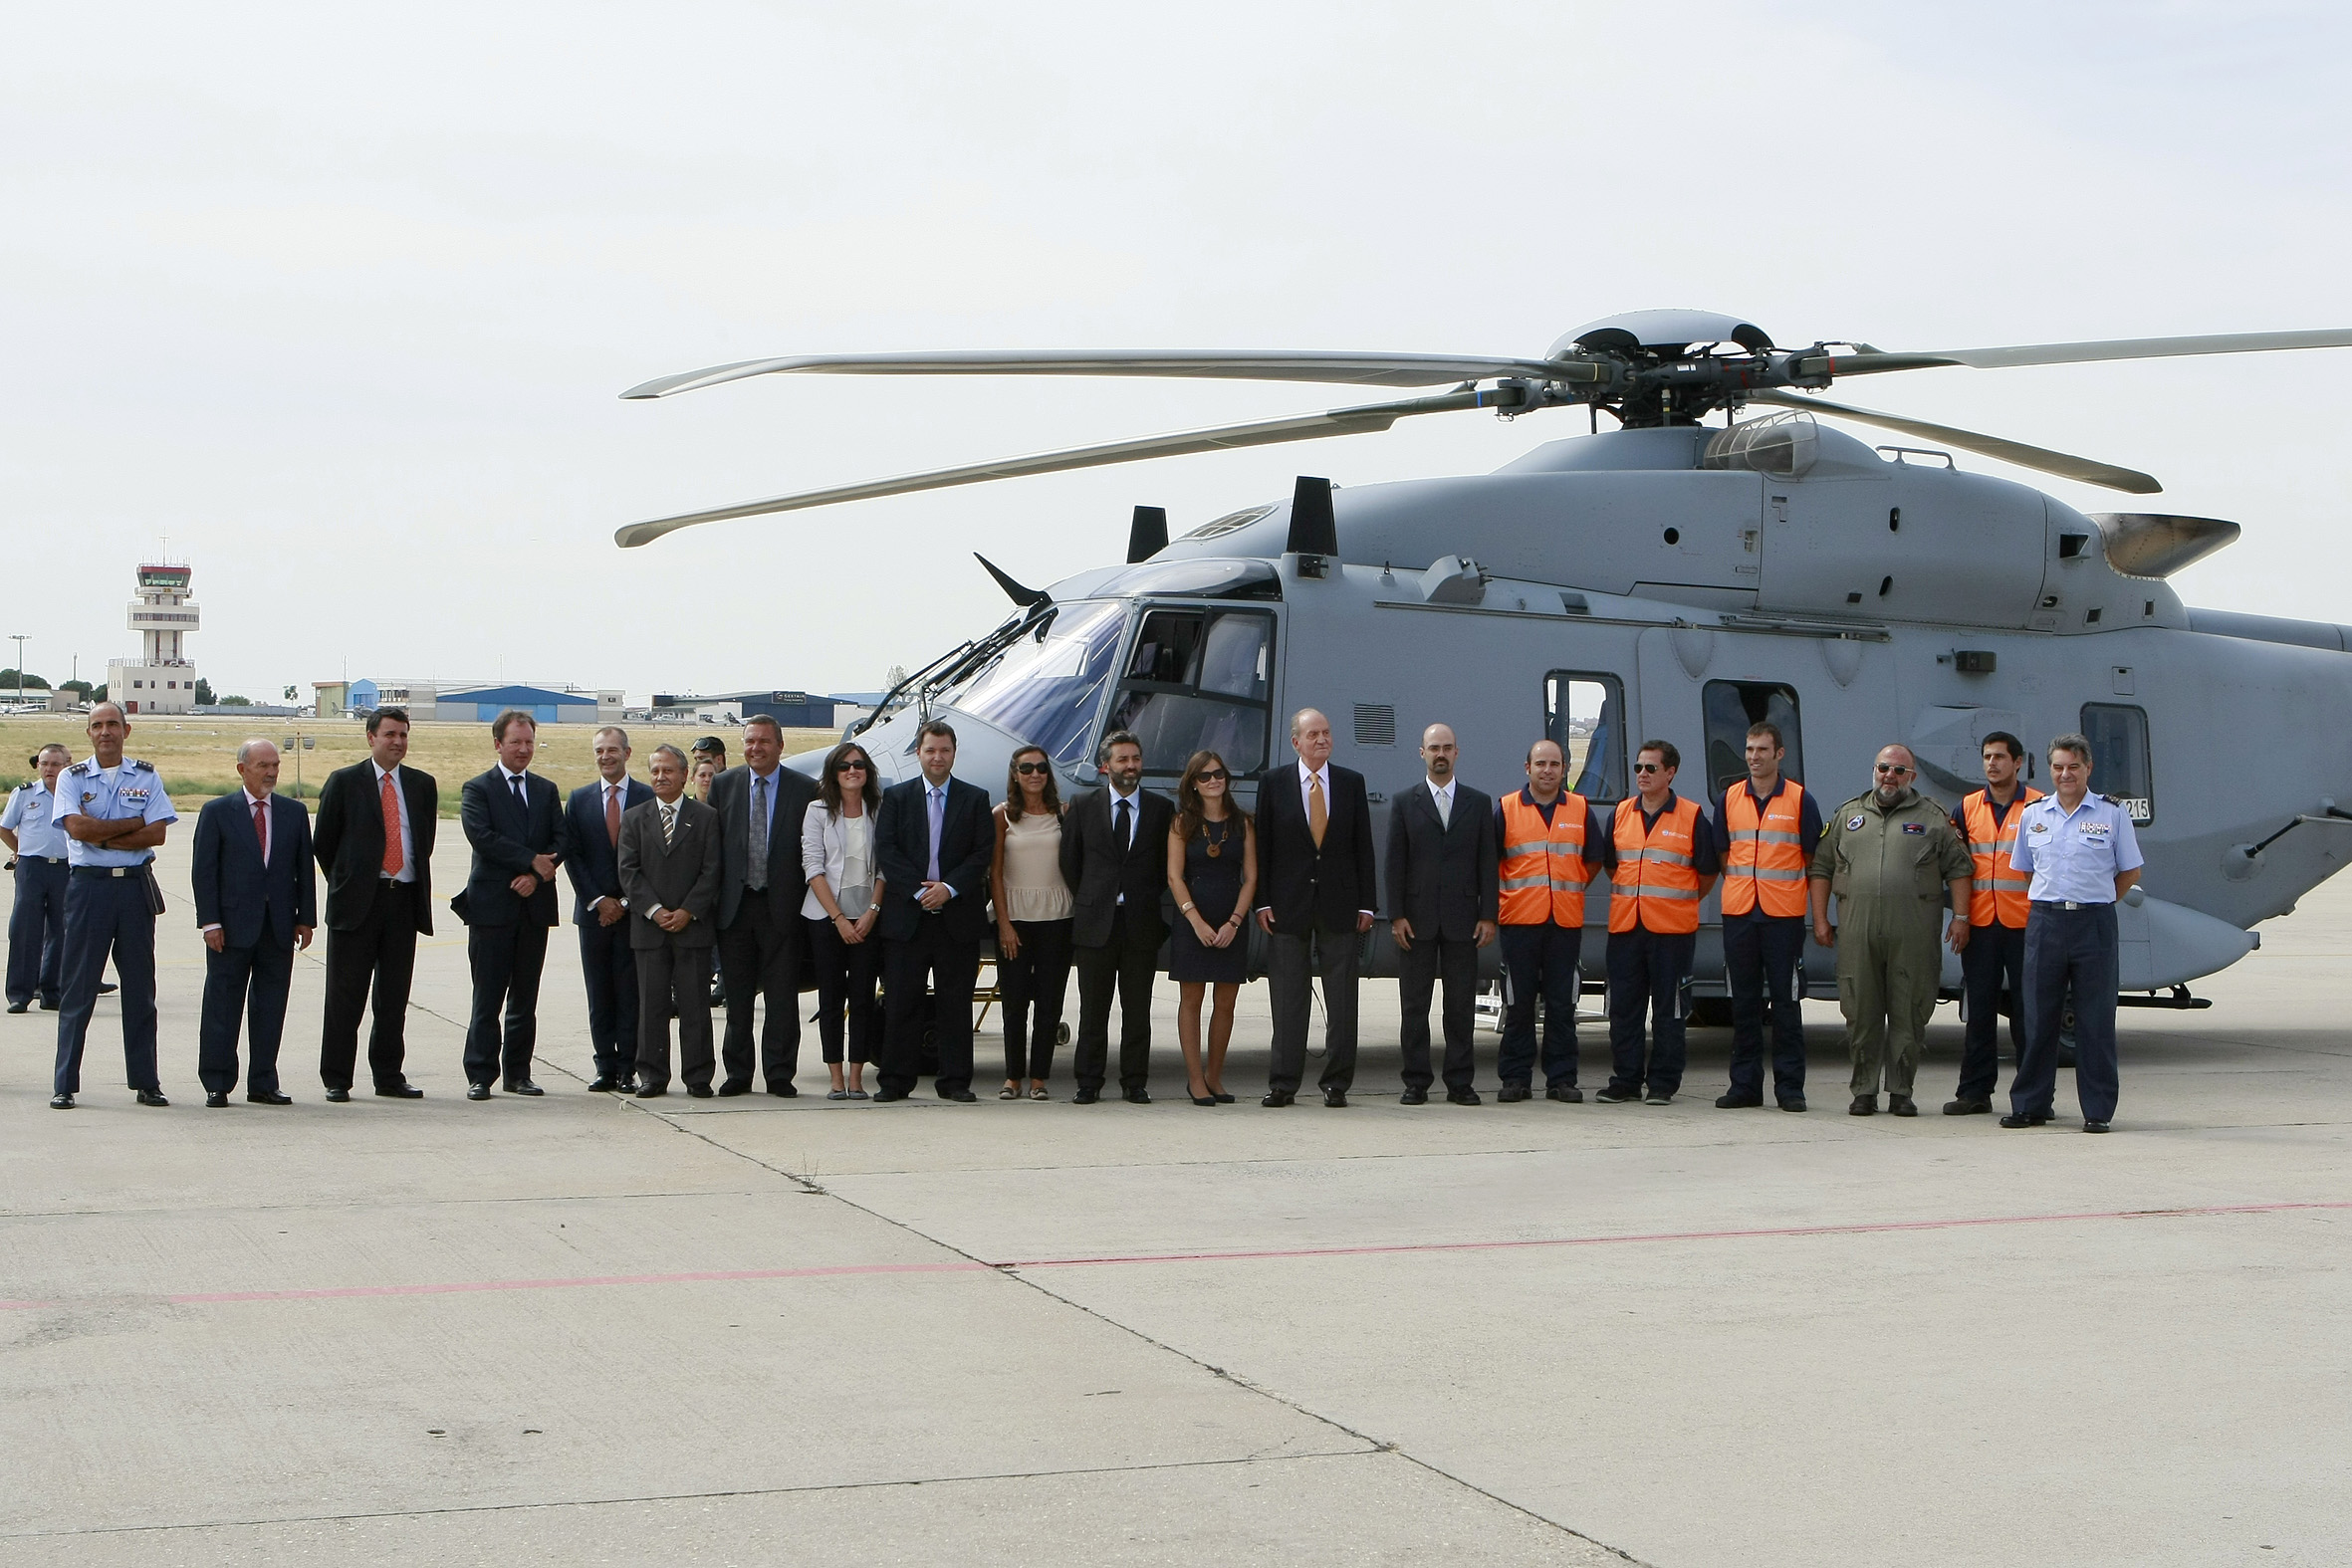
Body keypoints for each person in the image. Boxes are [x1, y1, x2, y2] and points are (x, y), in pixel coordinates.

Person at [1808, 744, 1974, 1117]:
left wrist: (1961, 918)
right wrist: (1820, 919)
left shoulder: (1933, 818)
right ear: (1874, 769)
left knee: (1909, 1012)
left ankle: (1901, 1091)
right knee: (1860, 1011)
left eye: (1900, 771)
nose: (1890, 776)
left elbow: (1960, 870)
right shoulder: (1848, 815)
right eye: (1884, 768)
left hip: (1912, 936)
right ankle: (1863, 1090)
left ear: (1911, 777)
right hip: (1857, 934)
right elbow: (1821, 868)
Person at [2003, 733, 2143, 1134]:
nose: (2065, 774)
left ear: (2088, 769)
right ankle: (2031, 1104)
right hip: (2046, 921)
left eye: (2073, 767)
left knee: (2095, 1020)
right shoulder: (2034, 814)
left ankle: (2098, 1110)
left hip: (2093, 924)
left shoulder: (2111, 814)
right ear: (2050, 770)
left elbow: (2129, 870)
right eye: (2058, 767)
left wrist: (2096, 901)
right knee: (2036, 1017)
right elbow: (2028, 869)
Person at [47, 703, 177, 1109]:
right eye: (97, 726)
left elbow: (157, 834)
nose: (106, 732)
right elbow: (77, 827)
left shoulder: (146, 775)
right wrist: (131, 824)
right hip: (89, 891)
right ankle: (65, 1083)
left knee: (140, 990)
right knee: (78, 989)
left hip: (134, 891)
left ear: (127, 730)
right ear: (88, 733)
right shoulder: (71, 776)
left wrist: (102, 836)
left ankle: (146, 1081)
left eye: (113, 725)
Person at [1255, 708, 1376, 1108]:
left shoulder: (1350, 783)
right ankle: (1283, 1083)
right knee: (1289, 1000)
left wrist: (1367, 905)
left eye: (1326, 733)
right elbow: (1265, 848)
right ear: (1296, 742)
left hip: (1340, 907)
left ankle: (1336, 1083)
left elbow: (1363, 848)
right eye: (1313, 735)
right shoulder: (1273, 784)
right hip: (1287, 906)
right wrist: (1263, 902)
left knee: (1342, 1000)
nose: (1322, 740)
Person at [313, 706, 436, 1101]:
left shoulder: (422, 785)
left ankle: (388, 1075)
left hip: (402, 902)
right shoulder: (344, 782)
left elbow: (425, 842)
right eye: (390, 735)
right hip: (356, 905)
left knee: (394, 997)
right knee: (345, 996)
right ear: (371, 738)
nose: (397, 742)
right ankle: (337, 1077)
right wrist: (352, 882)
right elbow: (325, 845)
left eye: (403, 735)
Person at [191, 739, 316, 1106]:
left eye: (275, 765)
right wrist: (210, 921)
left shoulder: (293, 812)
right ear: (242, 769)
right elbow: (204, 872)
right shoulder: (217, 812)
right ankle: (217, 1080)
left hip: (278, 928)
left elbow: (303, 870)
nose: (272, 772)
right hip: (229, 929)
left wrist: (305, 918)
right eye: (263, 765)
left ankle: (263, 1081)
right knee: (222, 1006)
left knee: (270, 1007)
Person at [873, 720, 992, 1103]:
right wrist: (918, 893)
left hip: (956, 919)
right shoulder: (897, 798)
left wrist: (949, 889)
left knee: (955, 1005)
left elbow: (981, 854)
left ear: (954, 753)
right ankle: (894, 1081)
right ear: (919, 753)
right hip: (908, 920)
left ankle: (955, 1082)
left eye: (944, 750)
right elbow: (887, 849)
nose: (937, 757)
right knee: (901, 1004)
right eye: (930, 750)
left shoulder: (975, 799)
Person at [1597, 740, 1719, 1106]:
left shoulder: (1692, 816)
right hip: (1626, 929)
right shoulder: (1620, 814)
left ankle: (1663, 1083)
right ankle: (1626, 1081)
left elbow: (1708, 872)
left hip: (1672, 933)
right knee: (1624, 1010)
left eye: (1651, 768)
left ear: (1671, 772)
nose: (1643, 775)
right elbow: (1610, 864)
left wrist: (1677, 902)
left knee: (1670, 1011)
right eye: (1638, 768)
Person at [1711, 721, 1822, 1113]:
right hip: (1740, 914)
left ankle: (1790, 1088)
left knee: (1786, 1003)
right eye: (1749, 750)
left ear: (1779, 754)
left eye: (1762, 750)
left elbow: (1812, 859)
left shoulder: (1799, 800)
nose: (1754, 757)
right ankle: (1744, 1086)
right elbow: (1724, 854)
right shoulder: (1728, 799)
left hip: (1782, 918)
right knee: (1742, 1004)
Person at [1493, 740, 1612, 1103]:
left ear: (1564, 770)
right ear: (1527, 767)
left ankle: (1562, 1079)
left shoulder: (1580, 808)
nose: (1548, 770)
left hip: (1563, 923)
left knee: (1563, 1005)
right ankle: (1515, 1079)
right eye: (1541, 763)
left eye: (1555, 764)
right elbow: (1492, 861)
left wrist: (1565, 889)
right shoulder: (1507, 808)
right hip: (1519, 922)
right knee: (1518, 1004)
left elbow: (1592, 861)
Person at [1385, 724, 1498, 1106]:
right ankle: (1415, 1081)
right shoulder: (1404, 801)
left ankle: (1460, 1082)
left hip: (1464, 919)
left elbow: (1488, 863)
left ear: (1457, 752)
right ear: (1422, 753)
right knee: (1414, 1005)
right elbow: (1394, 864)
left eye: (1447, 747)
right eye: (1434, 747)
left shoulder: (1478, 802)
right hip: (1415, 920)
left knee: (1460, 1004)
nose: (1441, 754)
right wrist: (1396, 914)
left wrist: (1489, 915)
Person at [456, 709, 565, 1100]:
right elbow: (481, 837)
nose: (523, 749)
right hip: (491, 909)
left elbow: (560, 839)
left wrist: (535, 875)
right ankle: (480, 1074)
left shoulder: (545, 789)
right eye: (515, 742)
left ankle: (518, 1073)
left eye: (529, 742)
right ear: (498, 744)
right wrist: (527, 861)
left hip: (533, 907)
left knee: (524, 997)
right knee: (487, 997)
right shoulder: (477, 789)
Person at [1060, 731, 1174, 1104]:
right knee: (1093, 1009)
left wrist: (1138, 897)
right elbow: (1070, 863)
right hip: (1096, 923)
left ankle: (1134, 1081)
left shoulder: (1160, 809)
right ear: (1105, 766)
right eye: (1123, 759)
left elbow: (1164, 869)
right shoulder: (1082, 805)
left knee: (1137, 1009)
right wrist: (1095, 898)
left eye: (1136, 758)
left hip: (1140, 922)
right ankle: (1089, 1081)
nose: (1130, 766)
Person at [710, 715, 819, 1096]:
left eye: (764, 742)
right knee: (736, 999)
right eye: (750, 741)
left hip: (782, 908)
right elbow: (713, 850)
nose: (756, 748)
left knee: (781, 998)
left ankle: (779, 1074)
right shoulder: (724, 786)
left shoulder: (804, 789)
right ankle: (738, 1074)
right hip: (735, 909)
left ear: (780, 745)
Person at [1946, 732, 2043, 1115]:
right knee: (1979, 1011)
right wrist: (1961, 917)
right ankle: (1974, 1093)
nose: (1992, 764)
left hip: (2027, 925)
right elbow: (1957, 869)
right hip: (1982, 925)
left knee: (2028, 1015)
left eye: (2000, 757)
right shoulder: (1966, 808)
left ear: (2018, 762)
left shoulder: (2039, 806)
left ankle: (2033, 1097)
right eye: (1987, 756)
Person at [619, 745, 723, 1097]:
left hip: (692, 928)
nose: (660, 777)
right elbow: (628, 872)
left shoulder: (706, 817)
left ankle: (698, 1076)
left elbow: (712, 871)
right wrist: (654, 910)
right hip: (649, 929)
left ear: (684, 775)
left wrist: (687, 911)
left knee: (695, 1005)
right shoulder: (634, 818)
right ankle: (652, 1075)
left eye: (668, 771)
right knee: (652, 1006)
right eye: (655, 771)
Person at [562, 727, 653, 1093]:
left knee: (630, 993)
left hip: (634, 913)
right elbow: (574, 857)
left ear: (627, 754)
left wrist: (626, 902)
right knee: (599, 993)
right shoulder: (579, 799)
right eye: (599, 750)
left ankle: (628, 1067)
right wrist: (599, 900)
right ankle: (604, 1066)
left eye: (612, 750)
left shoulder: (647, 797)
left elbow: (650, 859)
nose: (605, 756)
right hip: (593, 914)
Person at [1166, 749, 1255, 1106]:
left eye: (1218, 773)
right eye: (1204, 776)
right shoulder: (1181, 823)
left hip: (1231, 919)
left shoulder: (1243, 823)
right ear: (1193, 784)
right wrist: (1195, 920)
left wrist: (1235, 921)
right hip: (1193, 921)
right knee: (1192, 999)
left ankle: (1215, 1076)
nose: (1213, 780)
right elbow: (1174, 876)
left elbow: (1250, 877)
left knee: (1226, 1003)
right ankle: (1194, 1080)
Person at [804, 741, 887, 1100]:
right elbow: (812, 866)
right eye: (844, 766)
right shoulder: (817, 811)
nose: (852, 771)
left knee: (864, 997)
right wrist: (837, 918)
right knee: (832, 998)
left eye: (858, 765)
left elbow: (885, 867)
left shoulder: (879, 810)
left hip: (868, 915)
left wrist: (872, 911)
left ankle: (857, 1078)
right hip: (826, 917)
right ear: (833, 774)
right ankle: (835, 1077)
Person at [992, 745, 1071, 1100]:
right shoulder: (1001, 816)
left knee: (1050, 1002)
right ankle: (1013, 1077)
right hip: (1015, 920)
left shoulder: (1064, 814)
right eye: (1026, 768)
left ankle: (1039, 1077)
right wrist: (1004, 924)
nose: (1034, 774)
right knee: (1014, 1001)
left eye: (1041, 768)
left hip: (1058, 918)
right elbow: (994, 874)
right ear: (1015, 774)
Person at [4, 743, 72, 1012]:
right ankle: (20, 994)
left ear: (67, 764)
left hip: (65, 868)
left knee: (61, 930)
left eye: (55, 764)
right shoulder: (24, 794)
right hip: (32, 868)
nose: (49, 769)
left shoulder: (75, 794)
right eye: (44, 764)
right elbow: (4, 826)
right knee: (25, 930)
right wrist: (20, 850)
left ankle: (51, 991)